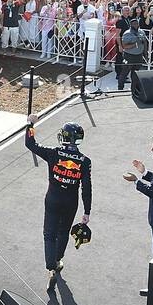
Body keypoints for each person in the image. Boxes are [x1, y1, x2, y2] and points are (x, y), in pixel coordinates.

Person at [25, 115, 92, 291]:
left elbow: (30, 144)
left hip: (53, 198)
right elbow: (87, 187)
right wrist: (87, 211)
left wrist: (30, 124)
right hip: (71, 201)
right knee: (63, 232)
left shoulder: (54, 153)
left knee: (49, 234)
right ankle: (57, 260)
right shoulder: (85, 161)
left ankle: (51, 269)